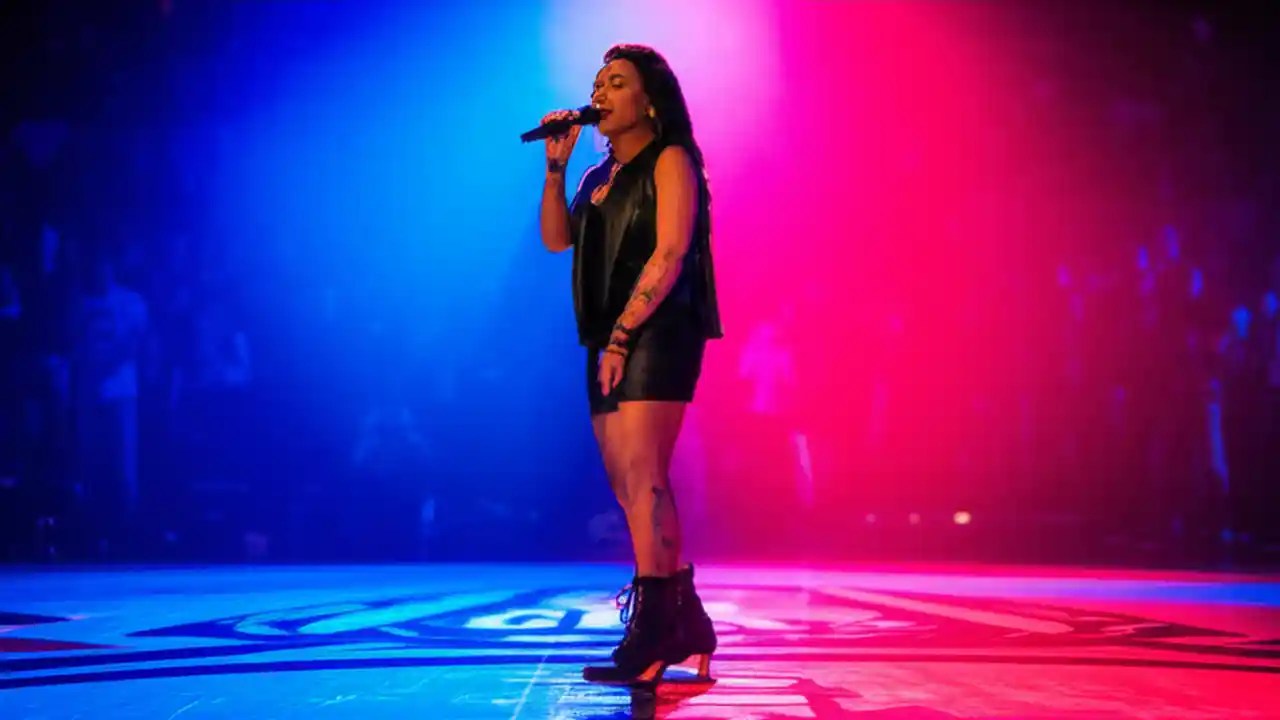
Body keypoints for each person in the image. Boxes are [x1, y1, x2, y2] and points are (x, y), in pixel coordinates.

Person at [538, 43, 722, 686]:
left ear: (648, 99)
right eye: (597, 83)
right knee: (628, 486)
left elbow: (669, 253)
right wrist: (556, 172)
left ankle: (652, 629)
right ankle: (687, 619)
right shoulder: (596, 177)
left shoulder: (670, 158)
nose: (602, 94)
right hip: (604, 335)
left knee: (645, 477)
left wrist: (623, 337)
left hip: (657, 328)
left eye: (617, 82)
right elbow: (557, 240)